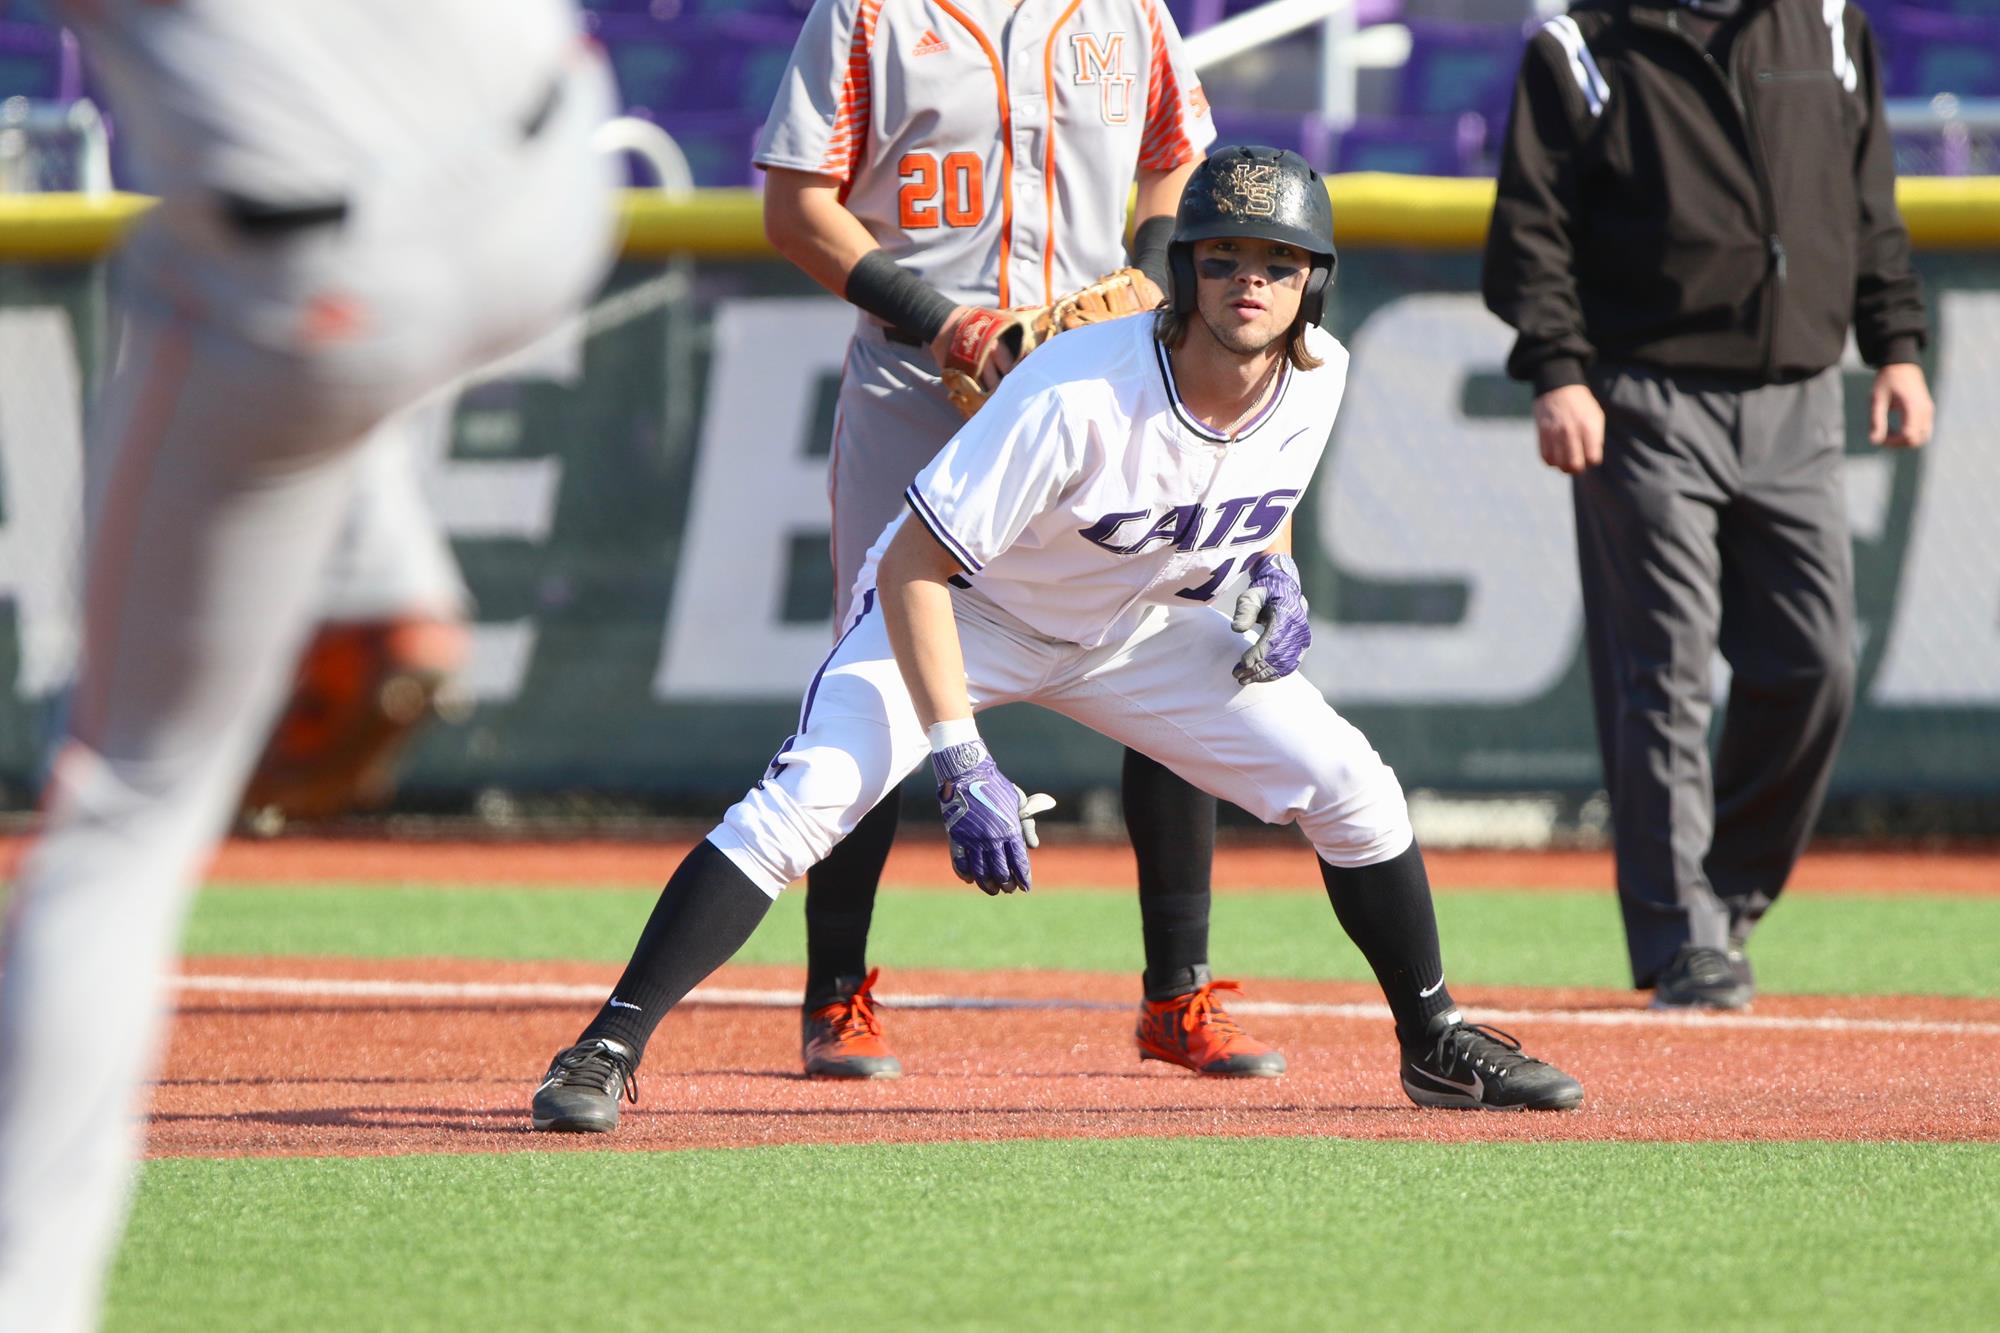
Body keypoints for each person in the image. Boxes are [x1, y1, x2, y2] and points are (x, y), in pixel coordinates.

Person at [531, 146, 1585, 1135]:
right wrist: (959, 757)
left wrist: (1275, 570)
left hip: (1131, 625)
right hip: (964, 613)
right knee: (805, 800)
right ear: (1183, 272)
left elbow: (1260, 495)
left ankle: (1433, 1038)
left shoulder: (1319, 374)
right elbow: (910, 570)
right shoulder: (1077, 390)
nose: (1249, 284)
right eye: (1223, 259)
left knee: (1351, 782)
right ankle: (605, 1044)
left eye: (1278, 263)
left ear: (1314, 281)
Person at [0, 3, 620, 1327]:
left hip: (314, 281)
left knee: (126, 802)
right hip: (561, 180)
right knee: (283, 283)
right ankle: (382, 568)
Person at [752, 0, 1285, 1079]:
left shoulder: (1126, 8)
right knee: (875, 668)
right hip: (918, 384)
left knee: (1160, 643)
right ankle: (836, 993)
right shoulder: (868, 13)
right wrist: (939, 319)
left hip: (1091, 384)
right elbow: (794, 207)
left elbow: (1176, 164)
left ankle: (1176, 996)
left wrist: (1146, 270)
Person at [1482, 0, 1933, 1009]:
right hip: (1641, 393)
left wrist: (1894, 346)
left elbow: (1866, 200)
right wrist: (1557, 371)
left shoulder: (1822, 20)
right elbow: (1528, 230)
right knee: (1665, 672)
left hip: (1798, 398)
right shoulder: (1579, 42)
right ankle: (1680, 934)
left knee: (1815, 664)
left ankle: (1719, 897)